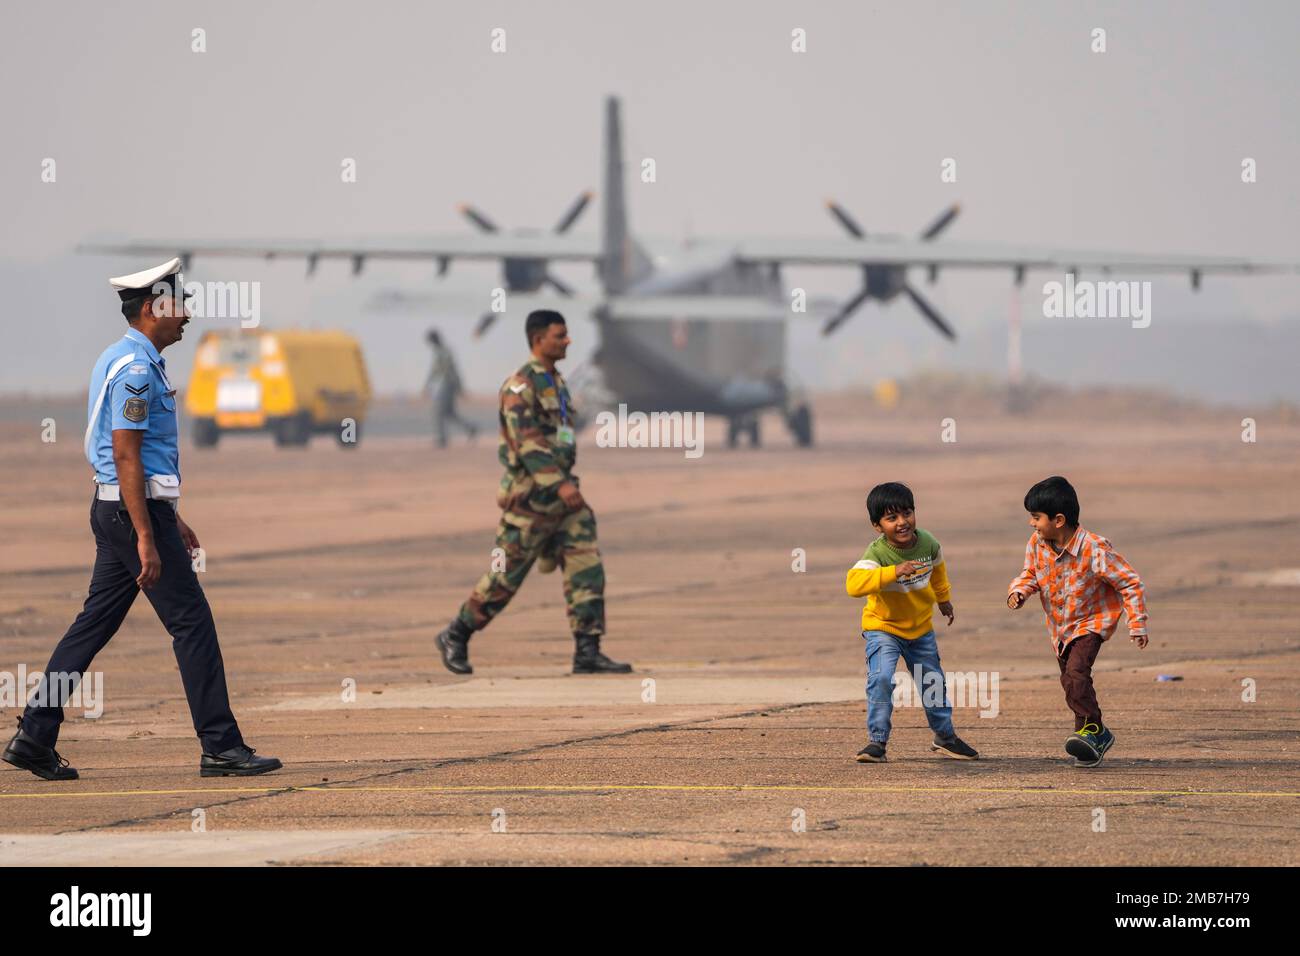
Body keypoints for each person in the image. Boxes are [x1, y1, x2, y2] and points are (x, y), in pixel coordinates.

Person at [2, 259, 281, 781]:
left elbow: (140, 463)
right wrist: (148, 535)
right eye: (180, 306)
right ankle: (221, 747)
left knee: (91, 627)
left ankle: (35, 735)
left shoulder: (124, 357)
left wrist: (171, 519)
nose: (188, 316)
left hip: (122, 511)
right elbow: (126, 454)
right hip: (131, 516)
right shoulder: (135, 370)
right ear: (154, 309)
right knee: (192, 625)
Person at [435, 310, 631, 675]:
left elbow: (562, 435)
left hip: (565, 502)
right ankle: (456, 633)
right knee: (505, 577)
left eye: (568, 334)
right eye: (560, 335)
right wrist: (558, 483)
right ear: (539, 339)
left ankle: (587, 649)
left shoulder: (555, 383)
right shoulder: (519, 387)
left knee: (586, 566)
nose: (567, 341)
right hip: (531, 501)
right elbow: (528, 443)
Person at [1007, 476, 1148, 768]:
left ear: (1058, 520)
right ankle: (1086, 740)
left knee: (1077, 673)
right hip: (1060, 628)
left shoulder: (1094, 549)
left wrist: (1137, 624)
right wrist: (1019, 591)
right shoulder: (1037, 544)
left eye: (1036, 518)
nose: (1032, 524)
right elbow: (1030, 573)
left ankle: (1095, 729)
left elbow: (1130, 583)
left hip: (1091, 623)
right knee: (1070, 682)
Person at [845, 482, 978, 763]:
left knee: (933, 682)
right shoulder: (877, 553)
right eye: (891, 518)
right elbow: (853, 585)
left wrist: (944, 600)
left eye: (907, 513)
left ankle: (945, 738)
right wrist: (893, 571)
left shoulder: (928, 543)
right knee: (881, 678)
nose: (902, 522)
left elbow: (938, 571)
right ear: (877, 526)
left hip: (920, 629)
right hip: (883, 628)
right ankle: (877, 742)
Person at [424, 328, 477, 447]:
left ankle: (442, 438)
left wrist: (459, 388)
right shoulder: (439, 352)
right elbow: (436, 371)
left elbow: (450, 371)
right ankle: (470, 428)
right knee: (449, 413)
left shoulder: (443, 352)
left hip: (447, 385)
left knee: (439, 412)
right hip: (446, 385)